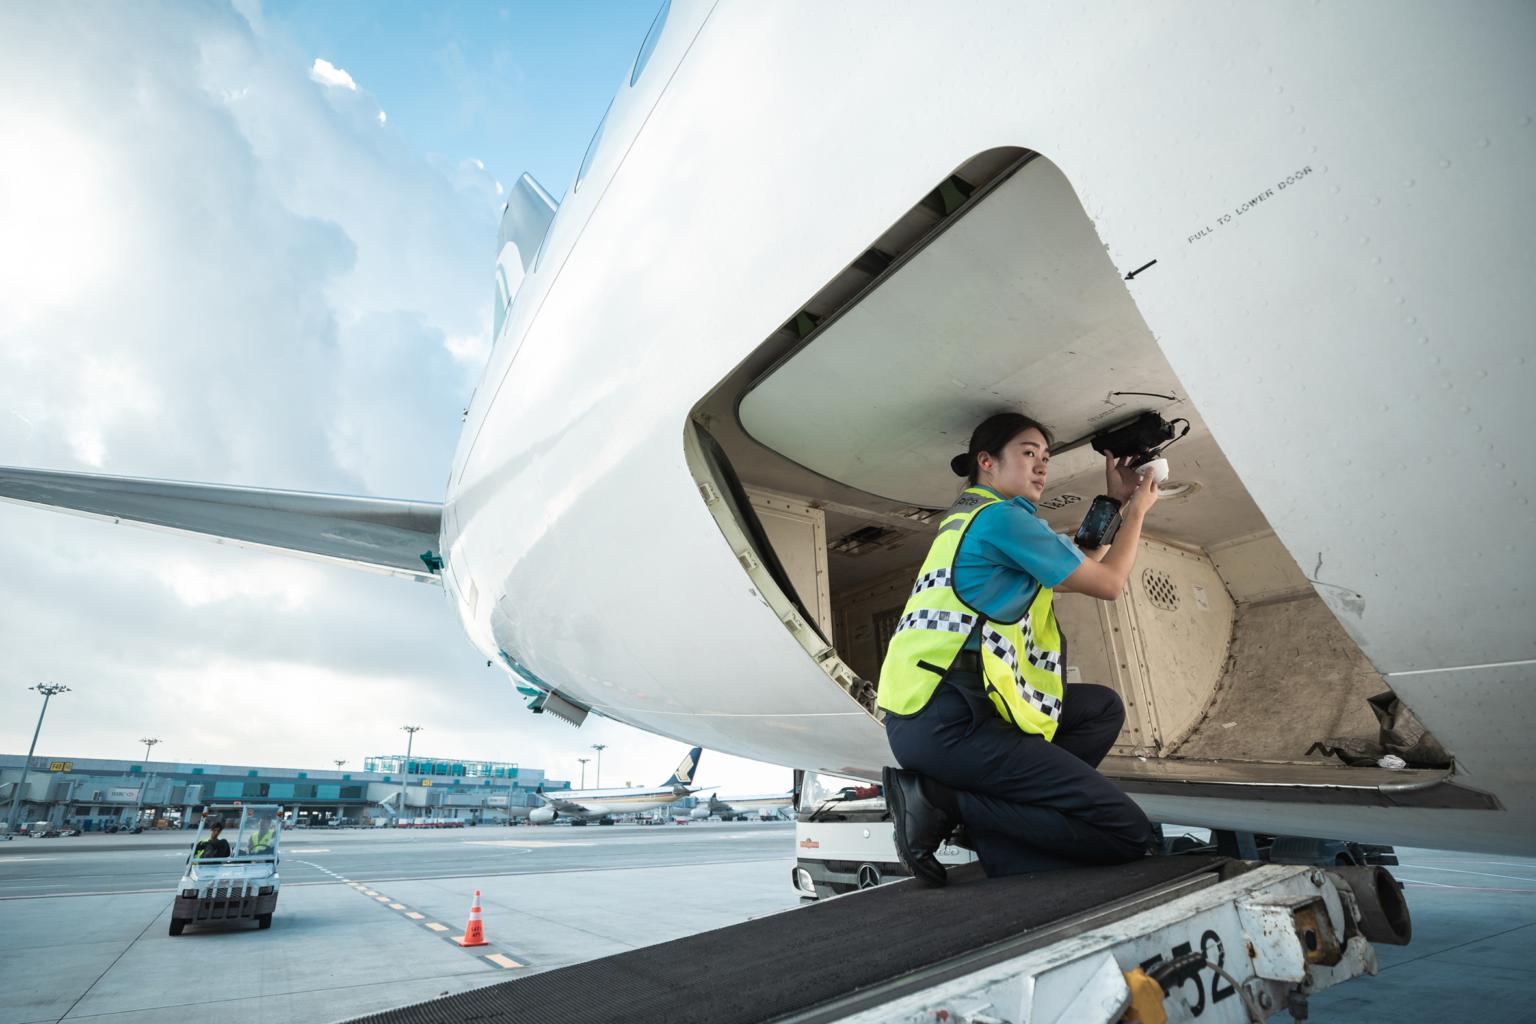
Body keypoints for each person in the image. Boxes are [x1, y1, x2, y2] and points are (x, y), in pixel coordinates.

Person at [878, 411, 1160, 884]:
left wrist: (1113, 499)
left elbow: (1079, 564)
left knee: (1100, 709)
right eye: (1029, 454)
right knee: (1128, 833)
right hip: (951, 722)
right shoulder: (1000, 520)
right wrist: (1139, 512)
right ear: (986, 462)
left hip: (937, 716)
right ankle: (943, 803)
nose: (1041, 467)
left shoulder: (972, 520)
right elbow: (1109, 583)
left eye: (1046, 458)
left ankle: (1001, 832)